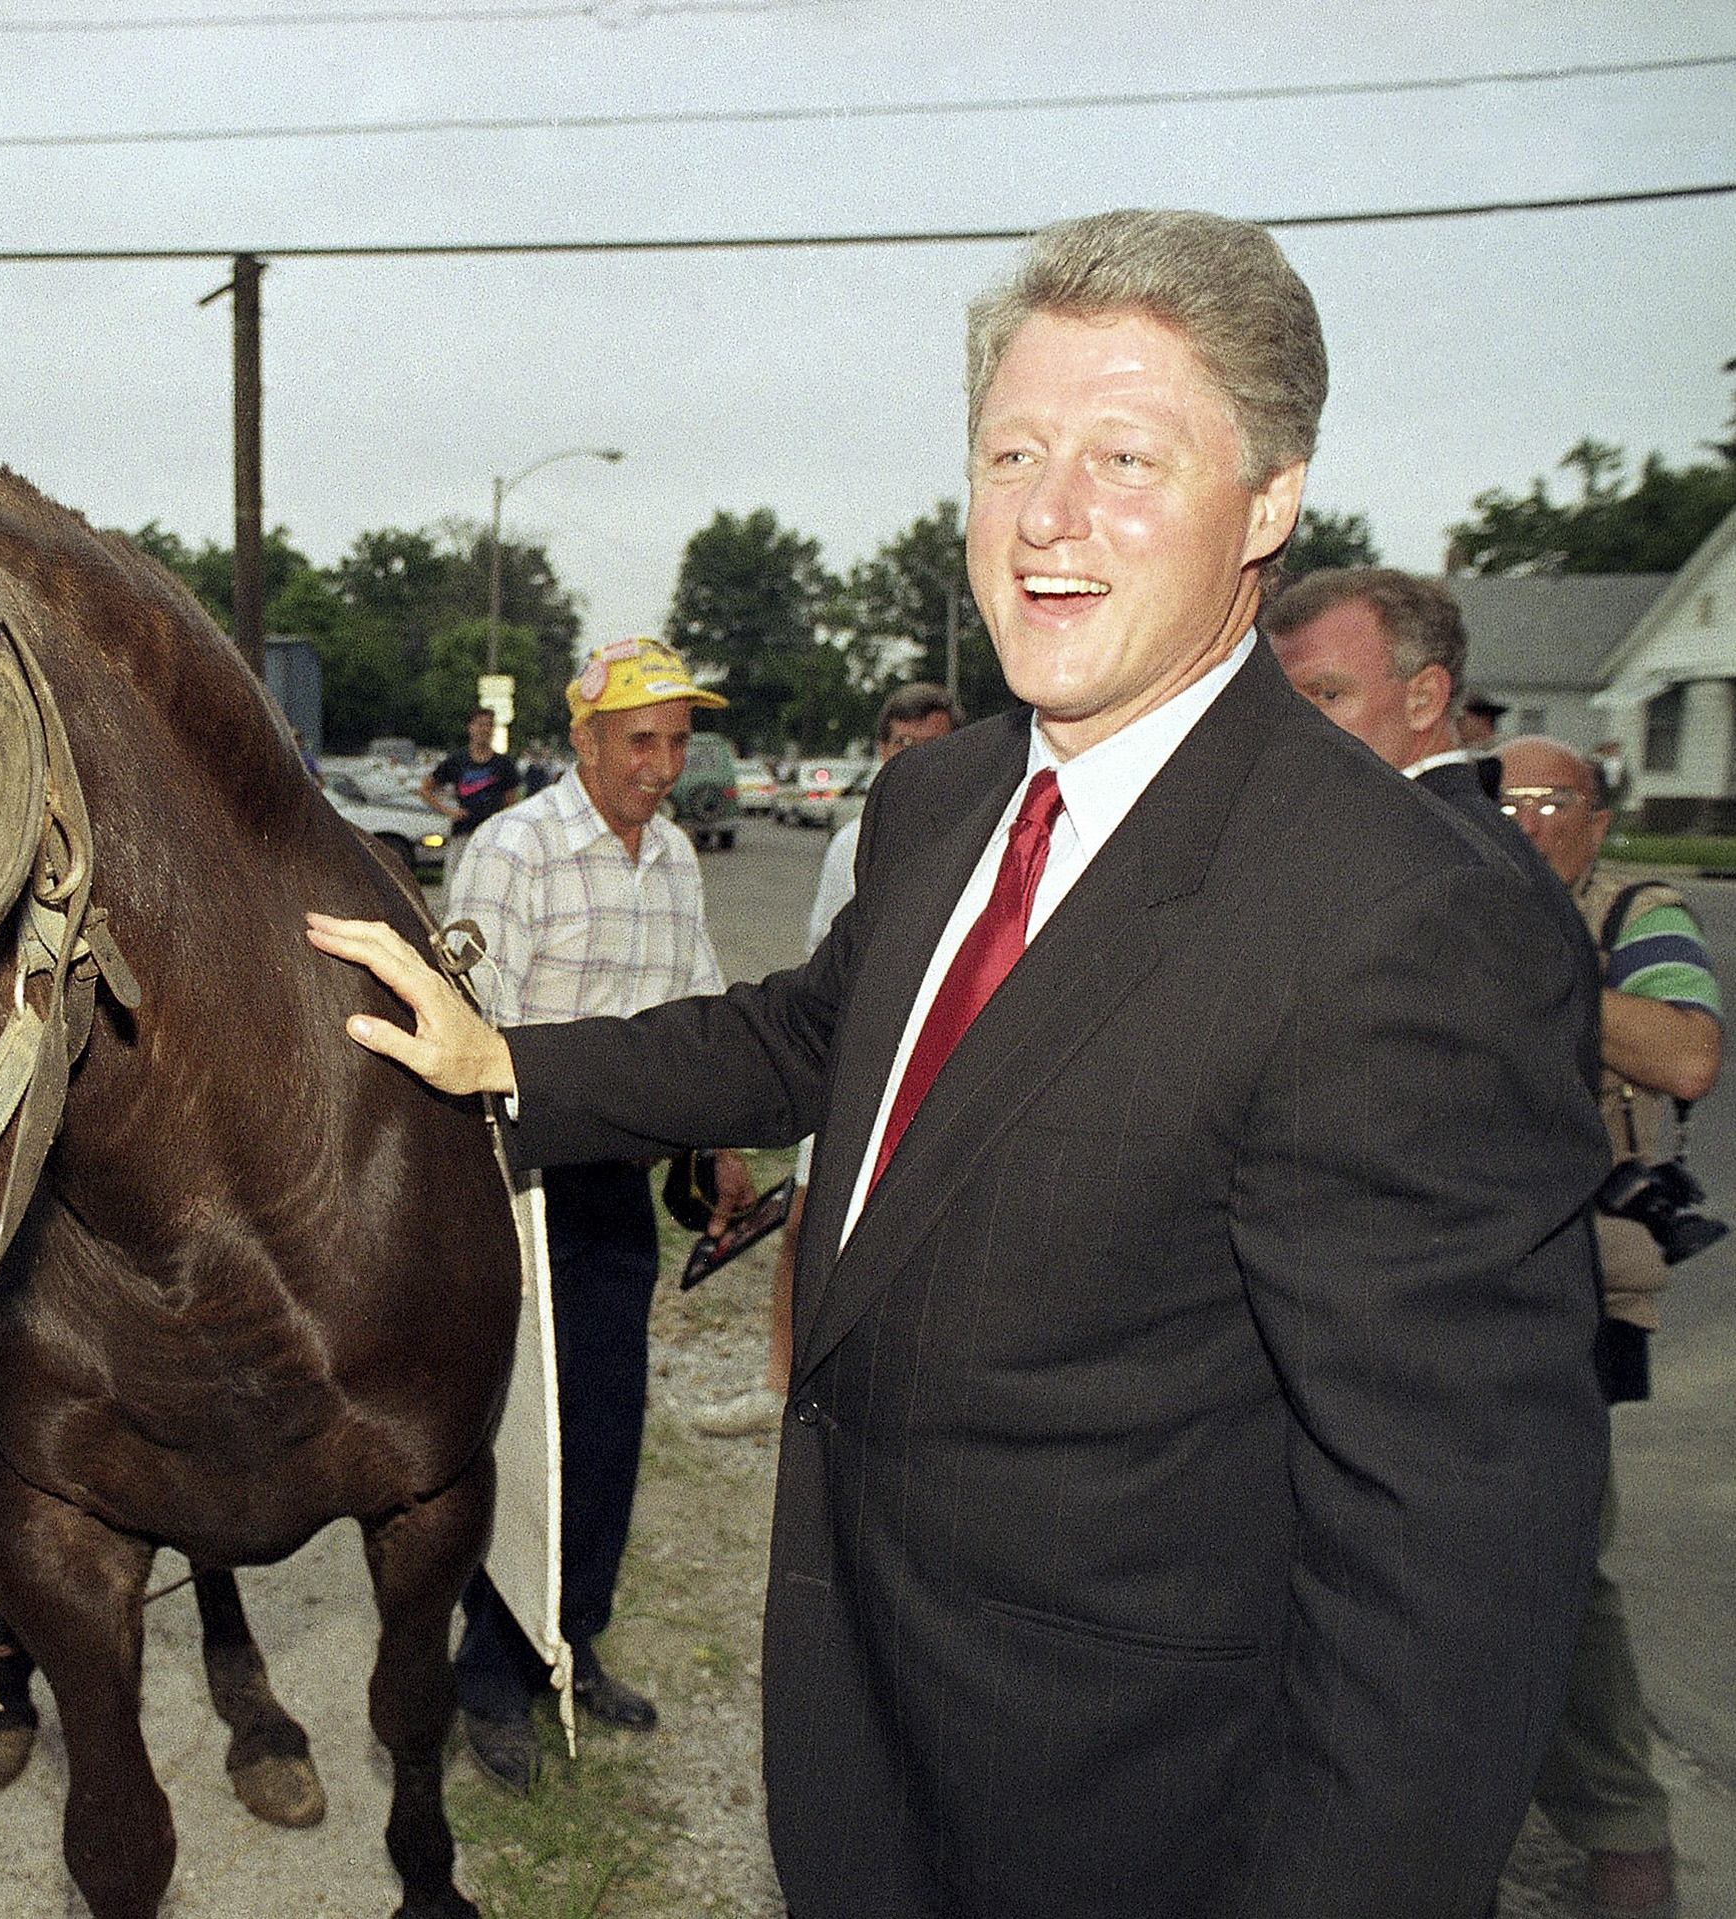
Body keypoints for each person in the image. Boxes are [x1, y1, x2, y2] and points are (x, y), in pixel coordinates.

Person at [309, 208, 1607, 1916]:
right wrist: (505, 1062)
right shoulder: (940, 798)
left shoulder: (1402, 916)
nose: (1047, 516)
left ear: (1268, 500)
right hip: (866, 1730)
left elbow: (1451, 1570)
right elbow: (800, 1033)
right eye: (1012, 453)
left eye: (1124, 455)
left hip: (1128, 1810)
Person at [438, 635, 752, 1794]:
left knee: (609, 1423)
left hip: (621, 1179)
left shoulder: (671, 855)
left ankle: (573, 1640)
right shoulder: (511, 849)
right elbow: (472, 1032)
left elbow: (701, 1002)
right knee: (523, 1431)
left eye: (676, 740)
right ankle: (488, 1674)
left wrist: (715, 1141)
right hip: (522, 1176)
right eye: (640, 739)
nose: (662, 765)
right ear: (581, 742)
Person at [1497, 735, 1722, 1918]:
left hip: (1582, 1289)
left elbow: (1687, 1051)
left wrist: (1524, 974)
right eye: (1511, 797)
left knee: (1560, 1567)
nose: (1527, 819)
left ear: (1595, 815)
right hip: (1462, 1286)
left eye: (1554, 800)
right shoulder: (1459, 888)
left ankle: (1628, 1843)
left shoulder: (1640, 909)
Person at [694, 681, 961, 1440]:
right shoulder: (852, 840)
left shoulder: (992, 831)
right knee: (807, 1227)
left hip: (941, 1074)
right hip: (852, 1065)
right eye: (902, 745)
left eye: (932, 743)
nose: (915, 759)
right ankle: (778, 1382)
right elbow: (822, 964)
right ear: (882, 751)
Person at [1264, 566, 1572, 902]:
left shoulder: (1430, 862)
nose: (1287, 721)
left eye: (1328, 694)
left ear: (1424, 699)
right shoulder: (1462, 841)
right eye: (1279, 698)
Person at [419, 704, 522, 833]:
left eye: (489, 725)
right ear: (470, 727)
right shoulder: (457, 760)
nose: (484, 729)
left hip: (493, 832)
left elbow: (511, 802)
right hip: (463, 831)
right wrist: (447, 810)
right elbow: (425, 789)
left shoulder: (504, 763)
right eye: (480, 725)